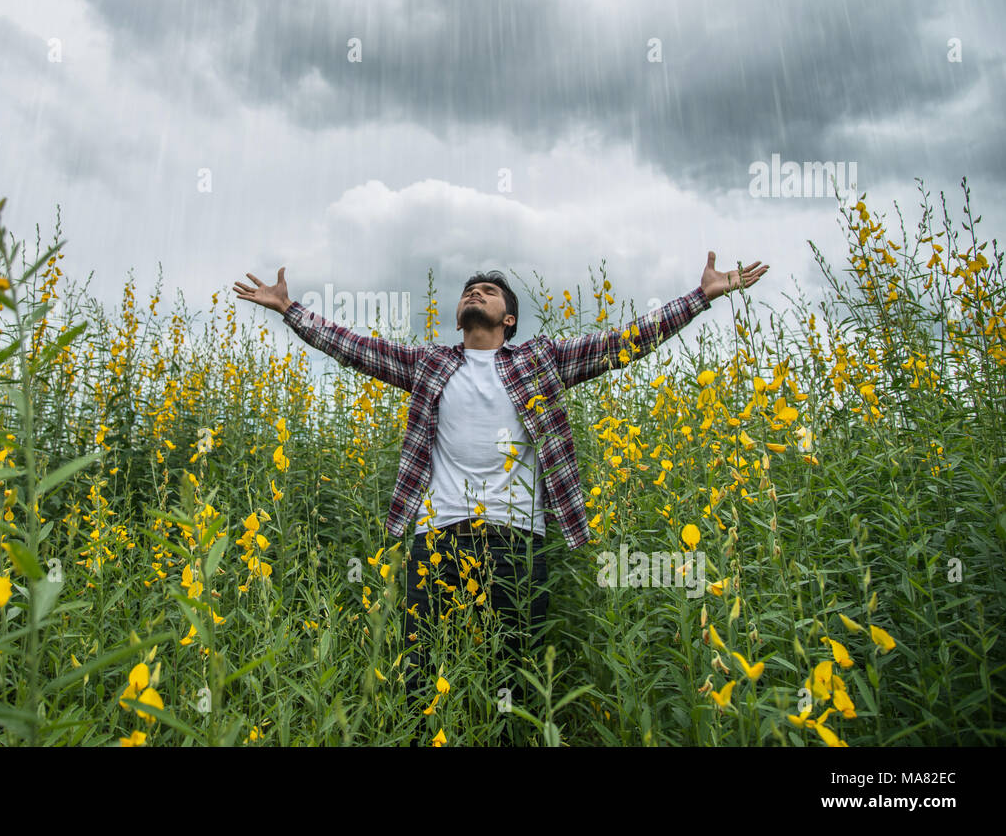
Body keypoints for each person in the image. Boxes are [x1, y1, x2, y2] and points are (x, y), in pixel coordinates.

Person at [233, 252, 768, 743]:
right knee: (420, 665)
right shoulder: (430, 365)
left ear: (508, 319)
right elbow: (353, 348)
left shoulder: (540, 362)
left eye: (488, 291)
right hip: (436, 535)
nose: (475, 294)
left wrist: (700, 298)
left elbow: (623, 342)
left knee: (514, 670)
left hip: (516, 541)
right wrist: (290, 310)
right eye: (470, 290)